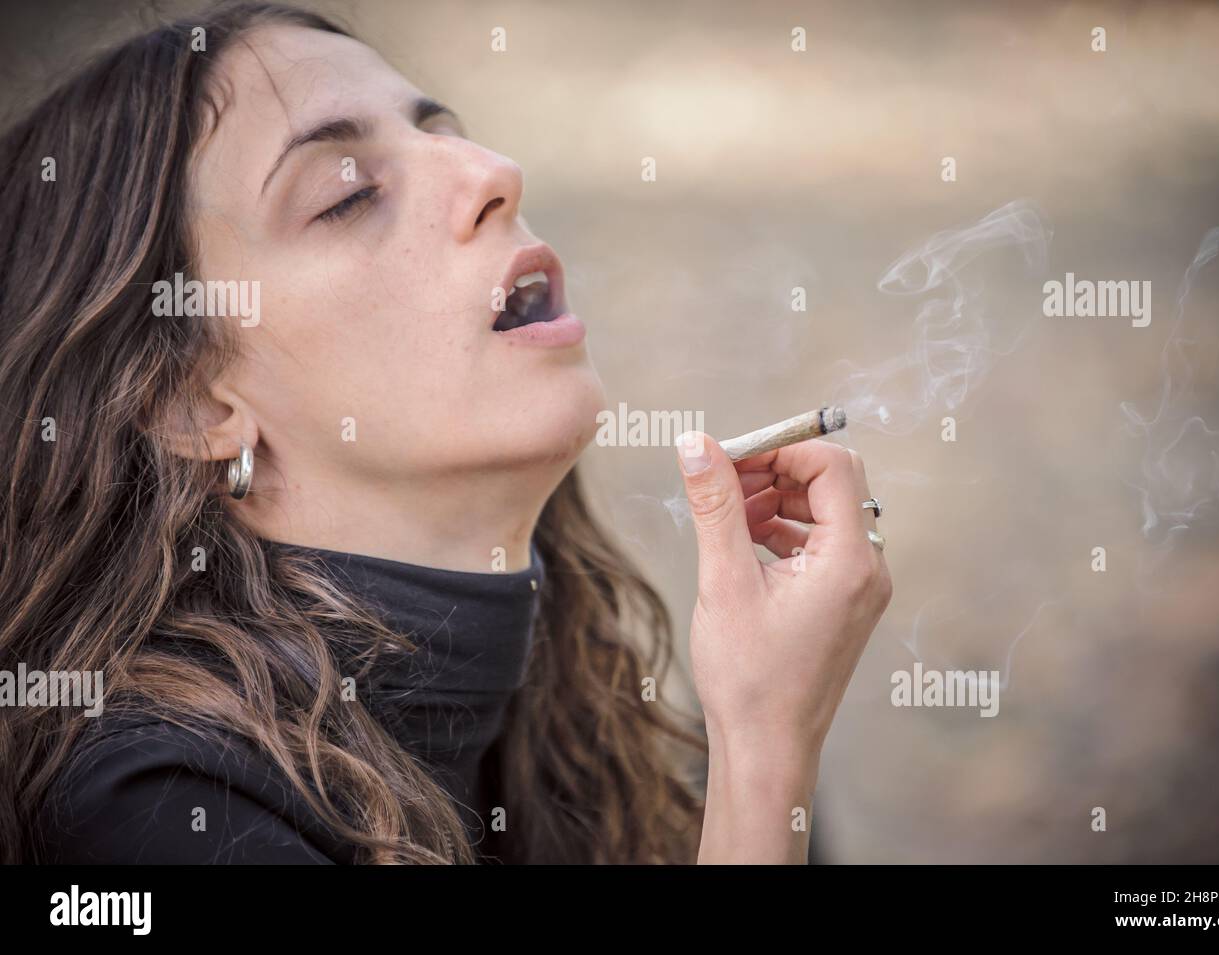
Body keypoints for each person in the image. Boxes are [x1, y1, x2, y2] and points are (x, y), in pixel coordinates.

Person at [0, 2, 891, 864]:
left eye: (443, 132)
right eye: (348, 195)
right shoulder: (154, 814)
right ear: (192, 404)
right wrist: (769, 754)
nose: (491, 171)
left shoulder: (625, 733)